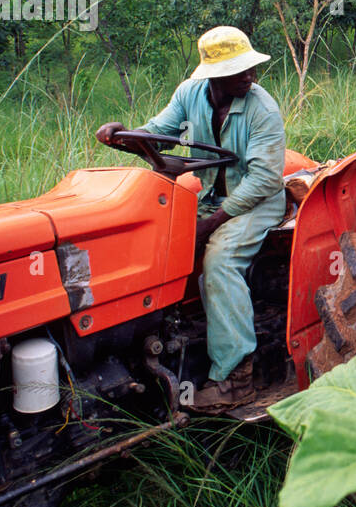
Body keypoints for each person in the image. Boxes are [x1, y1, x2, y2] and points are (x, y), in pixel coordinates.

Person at [95, 26, 286, 410]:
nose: (250, 75)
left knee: (219, 260)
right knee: (152, 242)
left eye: (250, 67)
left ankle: (236, 378)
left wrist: (208, 226)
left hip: (256, 199)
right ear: (213, 75)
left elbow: (265, 178)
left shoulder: (262, 109)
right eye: (238, 69)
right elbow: (160, 134)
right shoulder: (189, 94)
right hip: (212, 196)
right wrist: (123, 135)